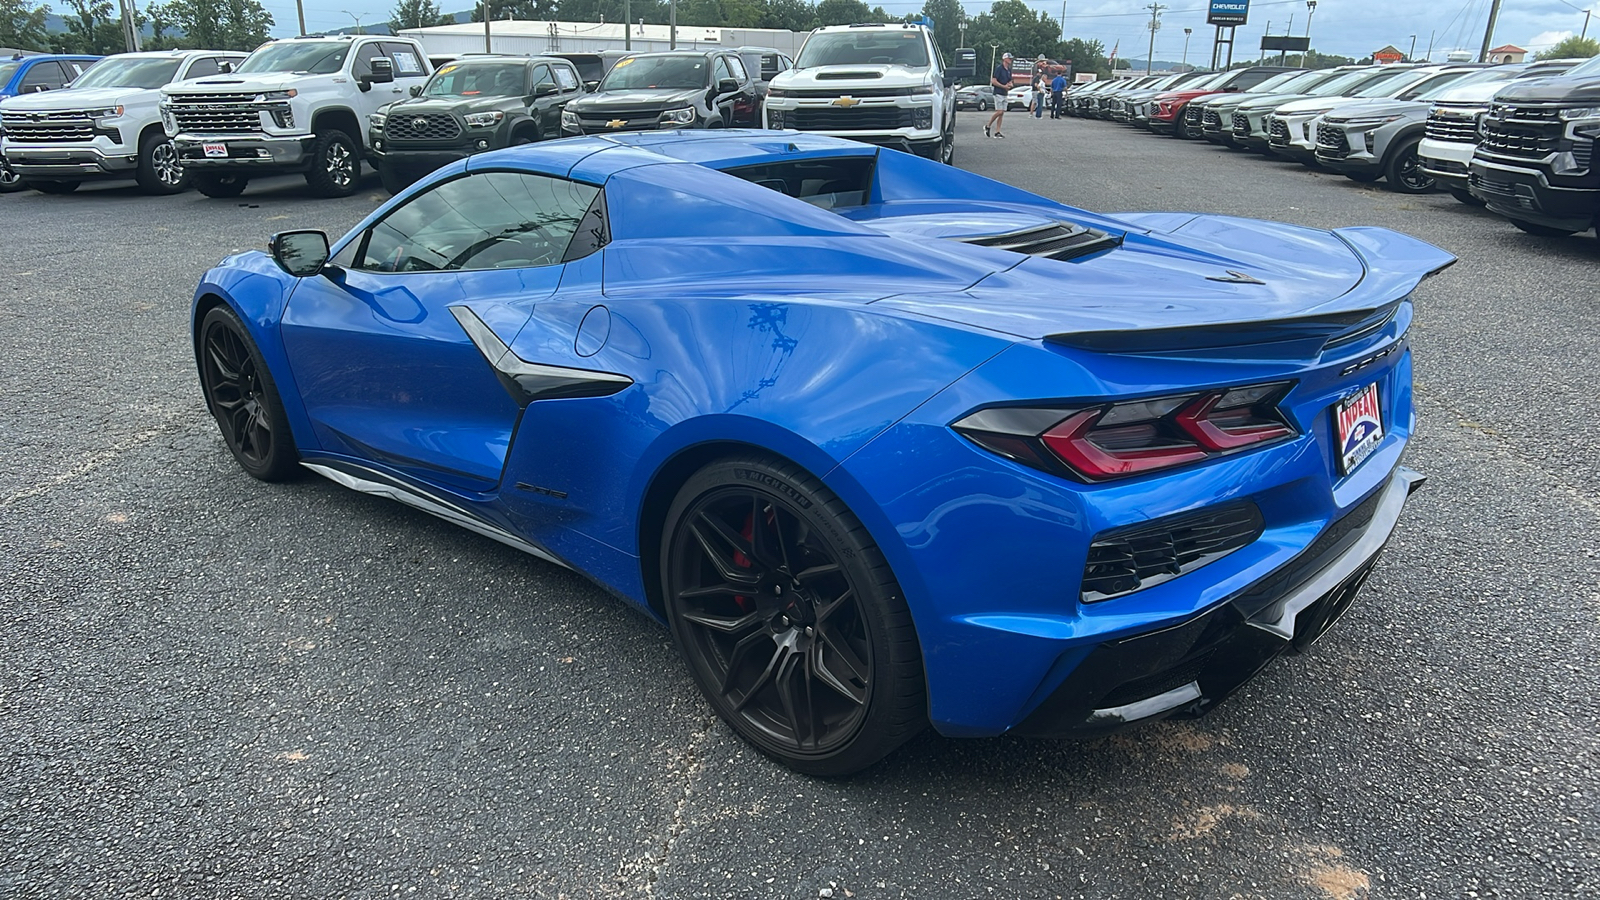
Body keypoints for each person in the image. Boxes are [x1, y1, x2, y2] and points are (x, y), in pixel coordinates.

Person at [984, 52, 1014, 138]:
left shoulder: (1008, 70)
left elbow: (1010, 81)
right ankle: (988, 125)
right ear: (1004, 59)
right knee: (999, 111)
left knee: (1002, 113)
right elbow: (993, 81)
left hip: (1005, 93)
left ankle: (997, 131)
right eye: (1009, 58)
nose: (1010, 60)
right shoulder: (999, 68)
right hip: (998, 93)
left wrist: (1010, 85)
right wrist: (1003, 86)